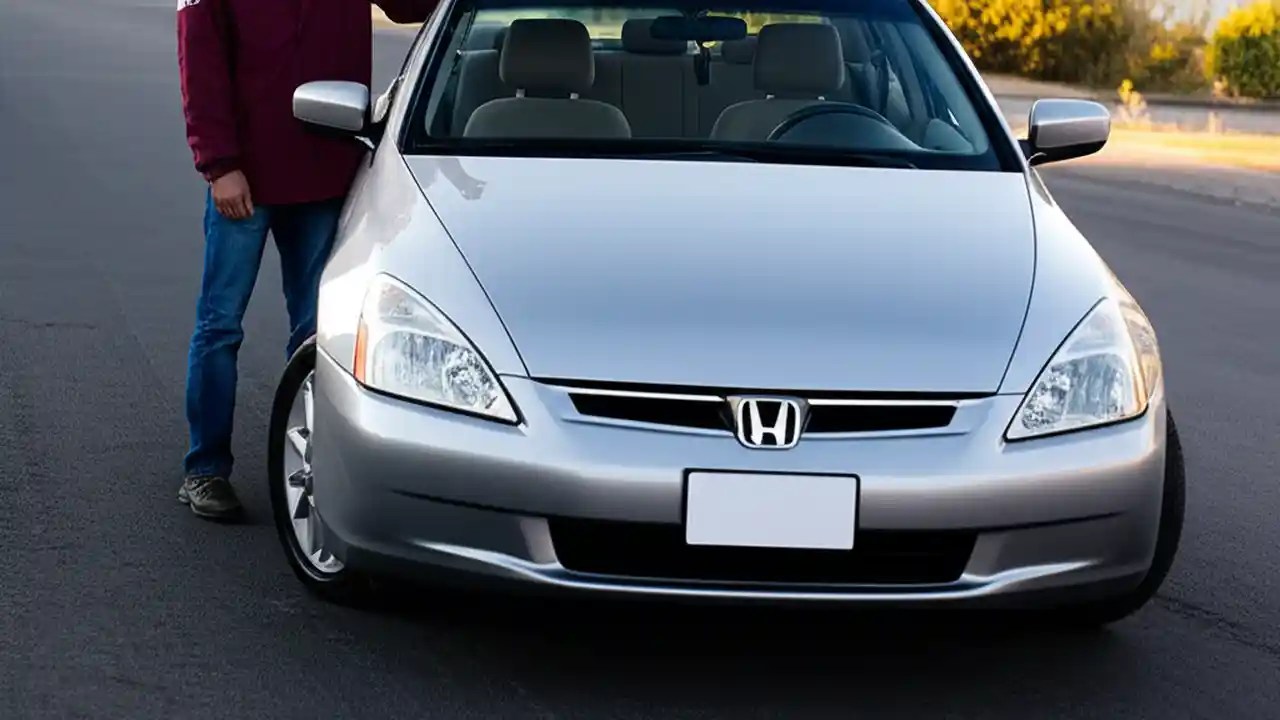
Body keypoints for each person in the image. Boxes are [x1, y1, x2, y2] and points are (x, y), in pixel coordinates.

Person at [177, 0, 438, 520]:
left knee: (318, 337)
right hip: (243, 179)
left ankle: (320, 467)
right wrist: (219, 163)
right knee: (221, 325)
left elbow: (414, 7)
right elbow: (197, 55)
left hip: (322, 171)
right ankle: (205, 470)